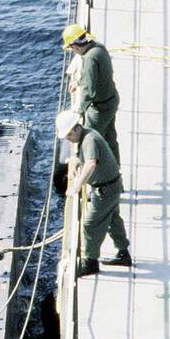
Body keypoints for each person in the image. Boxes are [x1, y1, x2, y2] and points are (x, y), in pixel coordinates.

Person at [56, 109, 132, 276]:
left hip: (106, 190)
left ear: (77, 128)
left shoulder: (89, 140)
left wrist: (76, 186)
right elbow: (85, 159)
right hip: (110, 187)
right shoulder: (87, 136)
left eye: (69, 135)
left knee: (89, 225)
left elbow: (91, 163)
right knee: (113, 220)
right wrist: (76, 161)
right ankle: (123, 254)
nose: (69, 139)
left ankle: (90, 262)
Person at [63, 24, 121, 164]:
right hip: (111, 100)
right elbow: (98, 75)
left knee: (87, 139)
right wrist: (78, 82)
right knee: (109, 137)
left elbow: (88, 91)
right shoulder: (98, 47)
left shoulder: (89, 59)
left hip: (100, 108)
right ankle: (115, 167)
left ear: (74, 46)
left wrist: (77, 112)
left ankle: (82, 167)